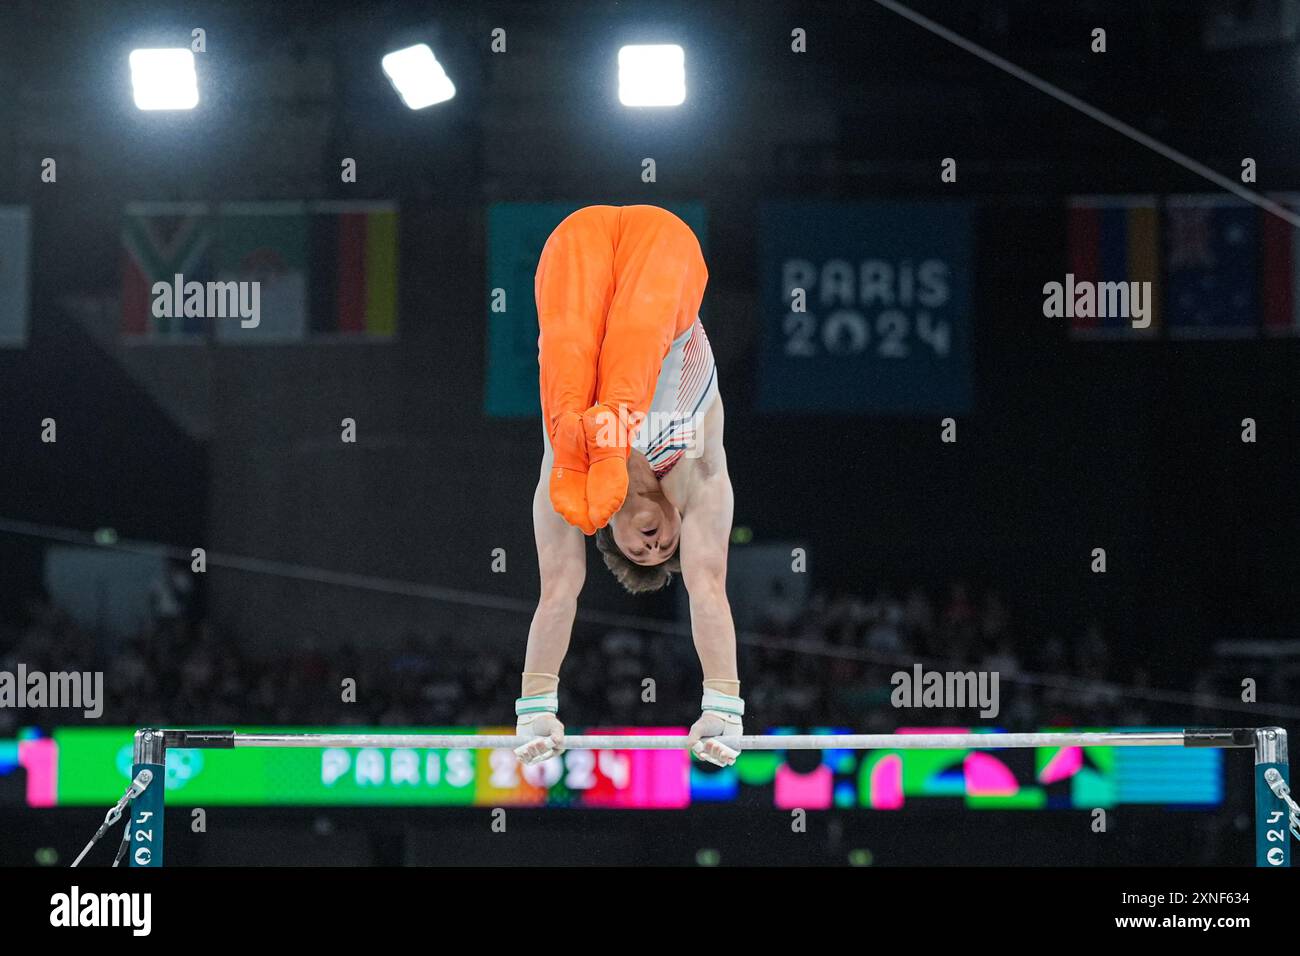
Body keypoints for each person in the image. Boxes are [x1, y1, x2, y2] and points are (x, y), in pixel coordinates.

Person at [515, 204, 742, 768]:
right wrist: (723, 707)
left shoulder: (571, 490)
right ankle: (613, 411)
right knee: (636, 339)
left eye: (641, 550)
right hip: (664, 259)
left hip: (575, 251)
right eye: (667, 546)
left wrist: (536, 708)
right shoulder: (697, 475)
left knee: (569, 353)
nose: (656, 543)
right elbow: (708, 586)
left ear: (611, 532)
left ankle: (606, 421)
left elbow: (558, 591)